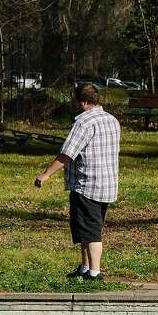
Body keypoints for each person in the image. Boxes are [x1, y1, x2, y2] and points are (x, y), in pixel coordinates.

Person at [35, 83, 120, 281]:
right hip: (107, 183)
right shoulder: (112, 120)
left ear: (82, 102)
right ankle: (85, 266)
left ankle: (95, 272)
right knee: (85, 228)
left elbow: (67, 154)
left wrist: (46, 174)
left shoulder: (84, 123)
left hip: (87, 184)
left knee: (91, 231)